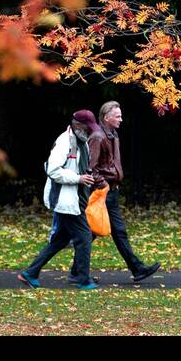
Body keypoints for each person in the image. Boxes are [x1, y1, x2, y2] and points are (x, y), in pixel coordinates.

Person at [18, 110, 100, 289]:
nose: (90, 132)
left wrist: (87, 176)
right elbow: (53, 170)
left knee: (61, 240)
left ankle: (30, 273)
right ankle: (83, 280)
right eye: (88, 128)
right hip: (66, 201)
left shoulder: (82, 142)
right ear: (77, 125)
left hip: (75, 199)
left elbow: (80, 166)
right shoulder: (64, 142)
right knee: (85, 237)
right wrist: (78, 178)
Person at [89, 101, 160, 283]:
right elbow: (91, 168)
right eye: (117, 116)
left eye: (120, 115)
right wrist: (104, 183)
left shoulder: (113, 134)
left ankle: (137, 269)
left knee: (109, 231)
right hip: (102, 192)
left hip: (111, 191)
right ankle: (77, 272)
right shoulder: (98, 137)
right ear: (106, 117)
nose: (121, 119)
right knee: (92, 231)